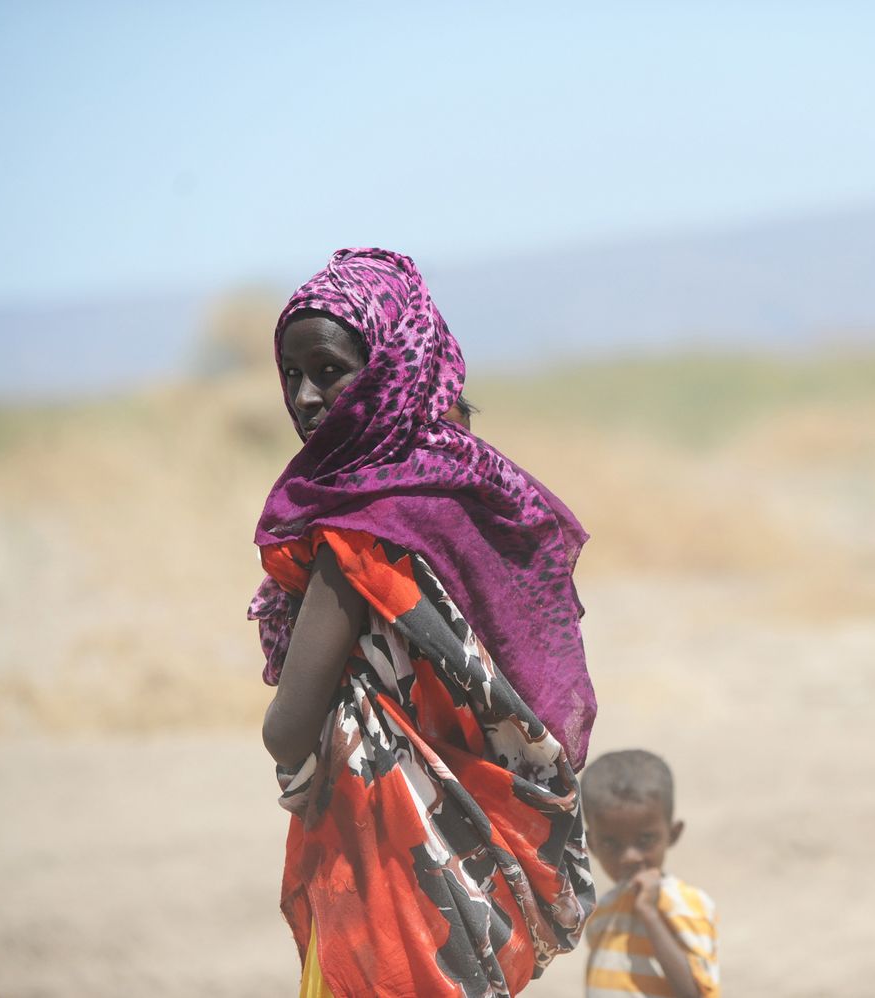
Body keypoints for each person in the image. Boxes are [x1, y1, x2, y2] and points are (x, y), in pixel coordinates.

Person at [246, 248, 598, 997]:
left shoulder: (357, 536)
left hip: (390, 877)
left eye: (329, 370)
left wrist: (298, 747)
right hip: (481, 868)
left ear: (388, 367)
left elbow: (288, 726)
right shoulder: (480, 493)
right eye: (291, 376)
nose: (306, 397)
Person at [581, 750, 719, 998]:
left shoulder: (686, 904)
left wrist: (650, 915)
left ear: (673, 834)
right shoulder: (603, 910)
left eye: (645, 840)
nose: (630, 856)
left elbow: (697, 993)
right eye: (611, 843)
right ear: (591, 844)